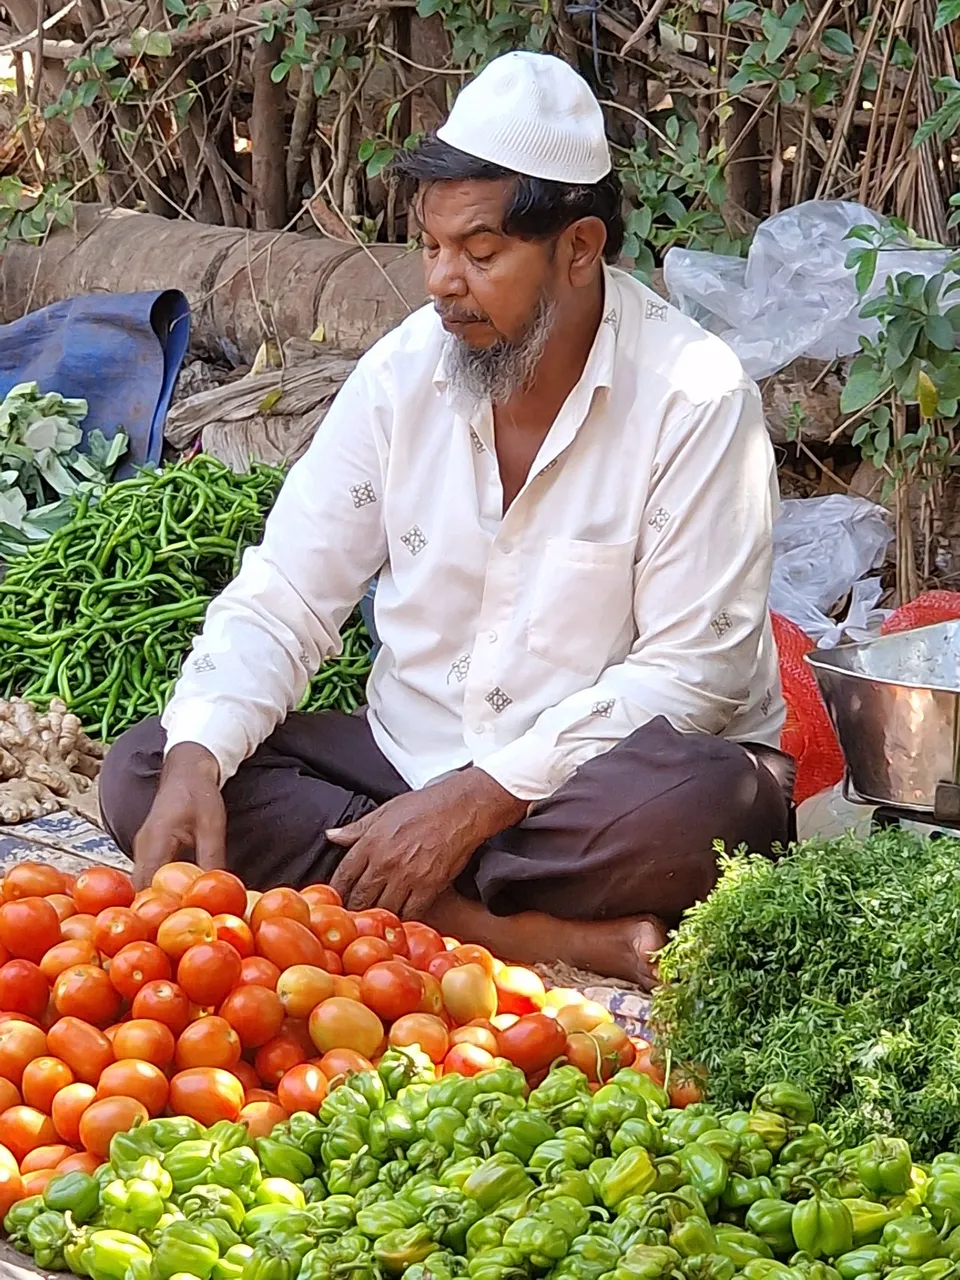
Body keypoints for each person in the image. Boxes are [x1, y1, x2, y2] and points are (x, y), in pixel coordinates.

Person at [100, 51, 793, 988]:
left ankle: (396, 883)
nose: (441, 282)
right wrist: (200, 751)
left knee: (715, 803)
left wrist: (482, 798)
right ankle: (530, 933)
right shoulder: (403, 372)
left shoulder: (694, 397)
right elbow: (291, 589)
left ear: (579, 248)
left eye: (479, 252)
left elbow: (693, 674)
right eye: (430, 247)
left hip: (582, 788)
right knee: (152, 766)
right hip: (406, 754)